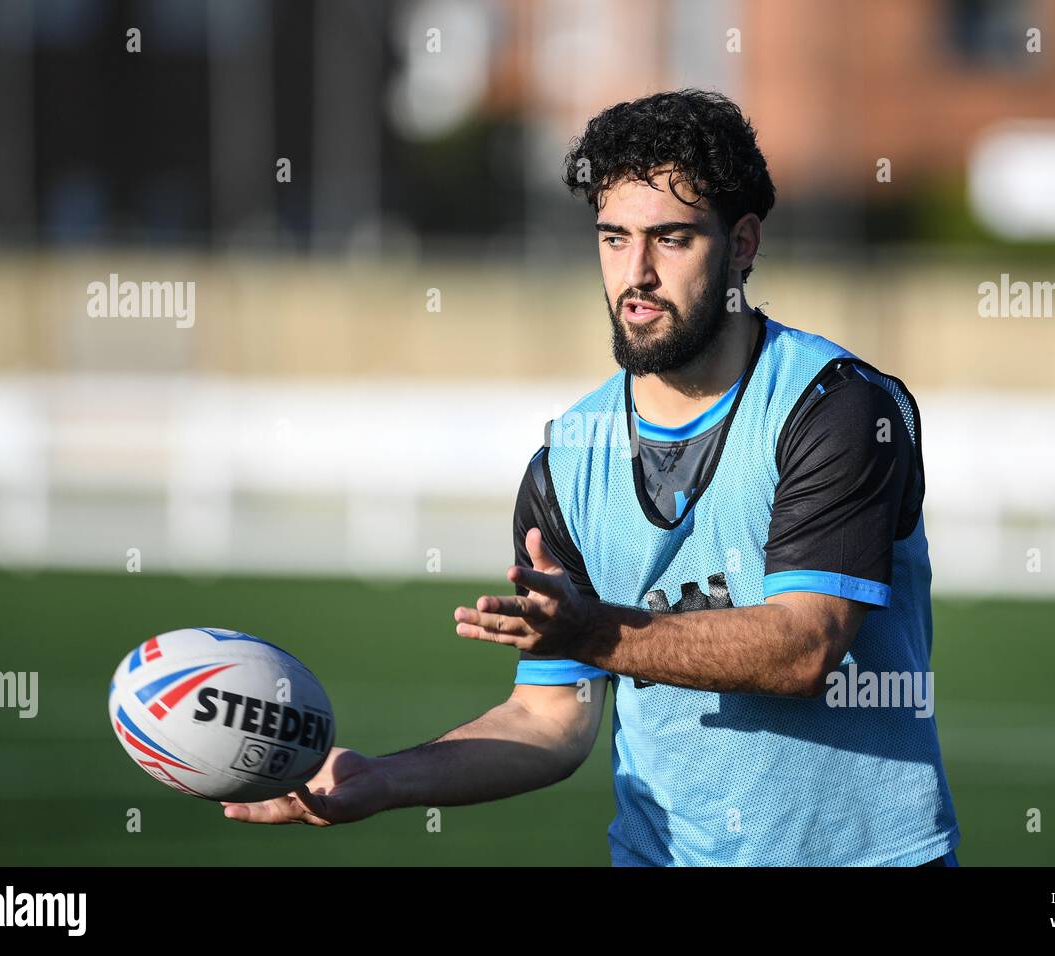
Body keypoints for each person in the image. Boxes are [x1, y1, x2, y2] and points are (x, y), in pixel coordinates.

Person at [224, 88, 960, 867]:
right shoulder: (568, 459)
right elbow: (550, 721)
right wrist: (383, 778)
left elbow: (803, 649)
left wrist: (594, 630)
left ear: (742, 242)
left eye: (670, 239)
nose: (635, 274)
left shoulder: (835, 406)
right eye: (614, 238)